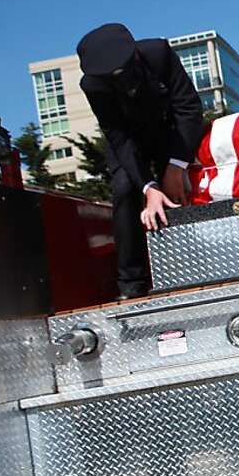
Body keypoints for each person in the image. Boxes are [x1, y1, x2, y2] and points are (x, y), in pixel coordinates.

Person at [78, 23, 203, 298]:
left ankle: (189, 267)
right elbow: (119, 138)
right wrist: (149, 187)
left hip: (171, 132)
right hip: (129, 141)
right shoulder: (93, 86)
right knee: (124, 187)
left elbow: (189, 108)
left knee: (180, 188)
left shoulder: (158, 52)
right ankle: (131, 283)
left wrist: (175, 166)